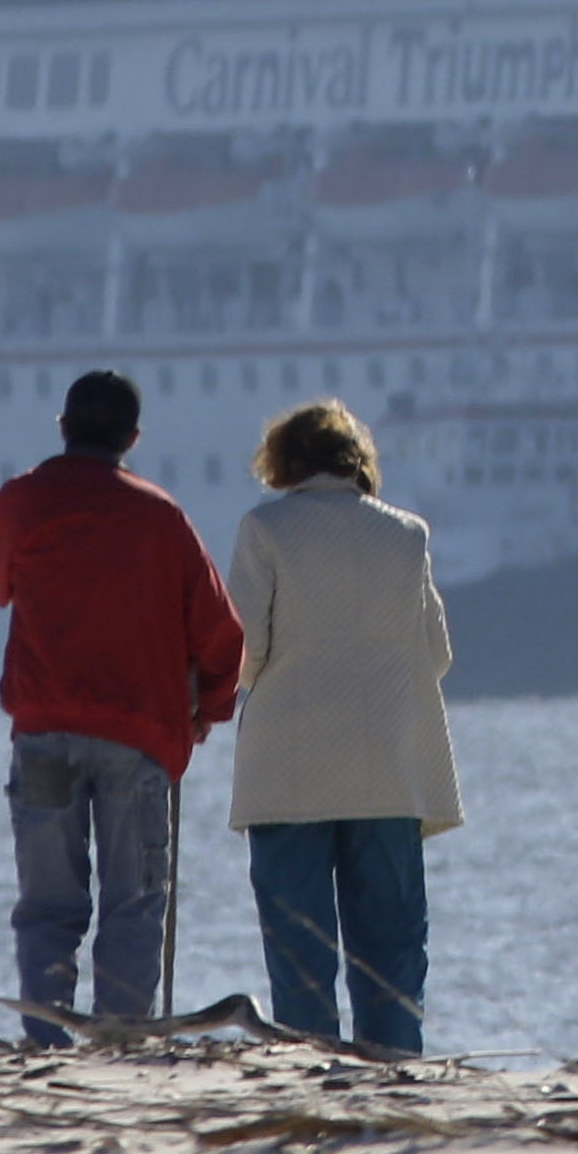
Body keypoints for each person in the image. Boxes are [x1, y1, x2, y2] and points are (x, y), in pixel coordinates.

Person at [0, 369, 243, 1036]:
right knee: (134, 902)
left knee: (48, 903)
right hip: (138, 738)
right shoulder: (162, 515)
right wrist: (209, 708)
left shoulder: (25, 500)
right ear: (133, 437)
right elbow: (219, 631)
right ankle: (121, 1043)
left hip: (43, 732)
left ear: (63, 427)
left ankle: (43, 1038)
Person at [225, 397, 461, 1053]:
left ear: (283, 463)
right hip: (389, 765)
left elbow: (247, 652)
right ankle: (392, 1063)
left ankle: (311, 1061)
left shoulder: (265, 529)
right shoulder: (407, 533)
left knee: (299, 944)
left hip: (288, 767)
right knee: (390, 939)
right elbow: (436, 654)